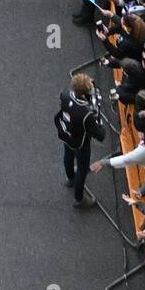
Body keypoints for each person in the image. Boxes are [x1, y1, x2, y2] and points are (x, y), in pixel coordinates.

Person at [55, 74, 106, 208]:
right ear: (84, 93)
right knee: (82, 169)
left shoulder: (65, 94)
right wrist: (98, 119)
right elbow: (100, 135)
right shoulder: (86, 113)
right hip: (80, 142)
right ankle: (79, 199)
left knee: (68, 156)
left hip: (66, 134)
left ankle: (70, 178)